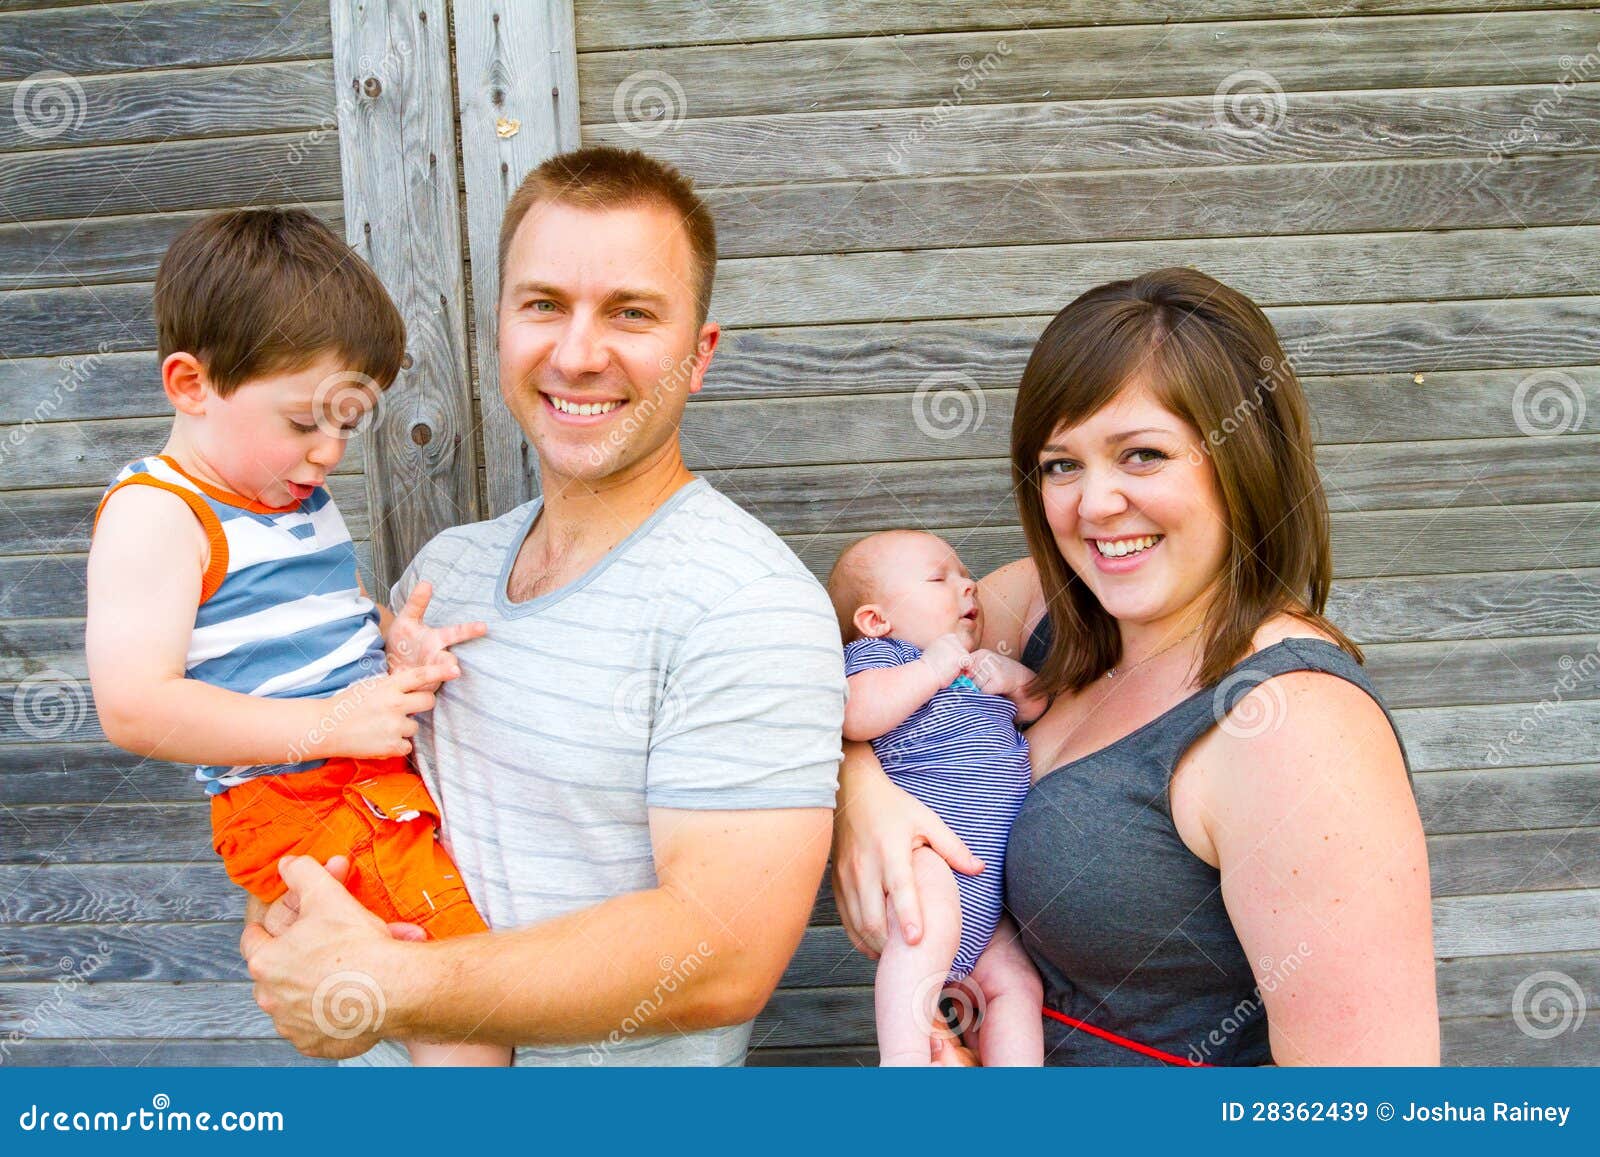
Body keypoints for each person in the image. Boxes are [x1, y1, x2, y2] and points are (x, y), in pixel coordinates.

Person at [238, 146, 847, 1066]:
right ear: (500, 329)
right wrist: (287, 931)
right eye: (544, 305)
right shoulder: (450, 569)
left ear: (699, 353)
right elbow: (331, 785)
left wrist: (383, 987)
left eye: (631, 313)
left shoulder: (747, 604)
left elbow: (721, 952)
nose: (577, 353)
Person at [831, 268, 1439, 1066]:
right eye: (1061, 464)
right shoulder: (1049, 609)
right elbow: (843, 678)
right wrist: (861, 791)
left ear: (1243, 458)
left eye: (1142, 455)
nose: (1093, 505)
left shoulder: (1295, 727)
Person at [85, 208, 509, 1066]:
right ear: (191, 384)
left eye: (347, 426)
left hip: (356, 780)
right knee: (460, 1002)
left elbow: (329, 617)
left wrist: (395, 641)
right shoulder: (159, 514)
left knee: (419, 985)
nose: (328, 453)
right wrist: (332, 725)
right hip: (300, 799)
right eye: (303, 422)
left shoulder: (292, 500)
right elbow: (134, 708)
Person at [826, 529, 1044, 1066]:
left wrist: (1014, 679)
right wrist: (932, 668)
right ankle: (904, 1062)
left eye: (964, 573)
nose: (967, 585)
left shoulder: (969, 668)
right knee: (928, 932)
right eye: (939, 578)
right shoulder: (880, 657)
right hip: (929, 856)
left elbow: (1038, 708)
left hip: (988, 893)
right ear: (876, 620)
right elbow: (854, 716)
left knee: (1016, 985)